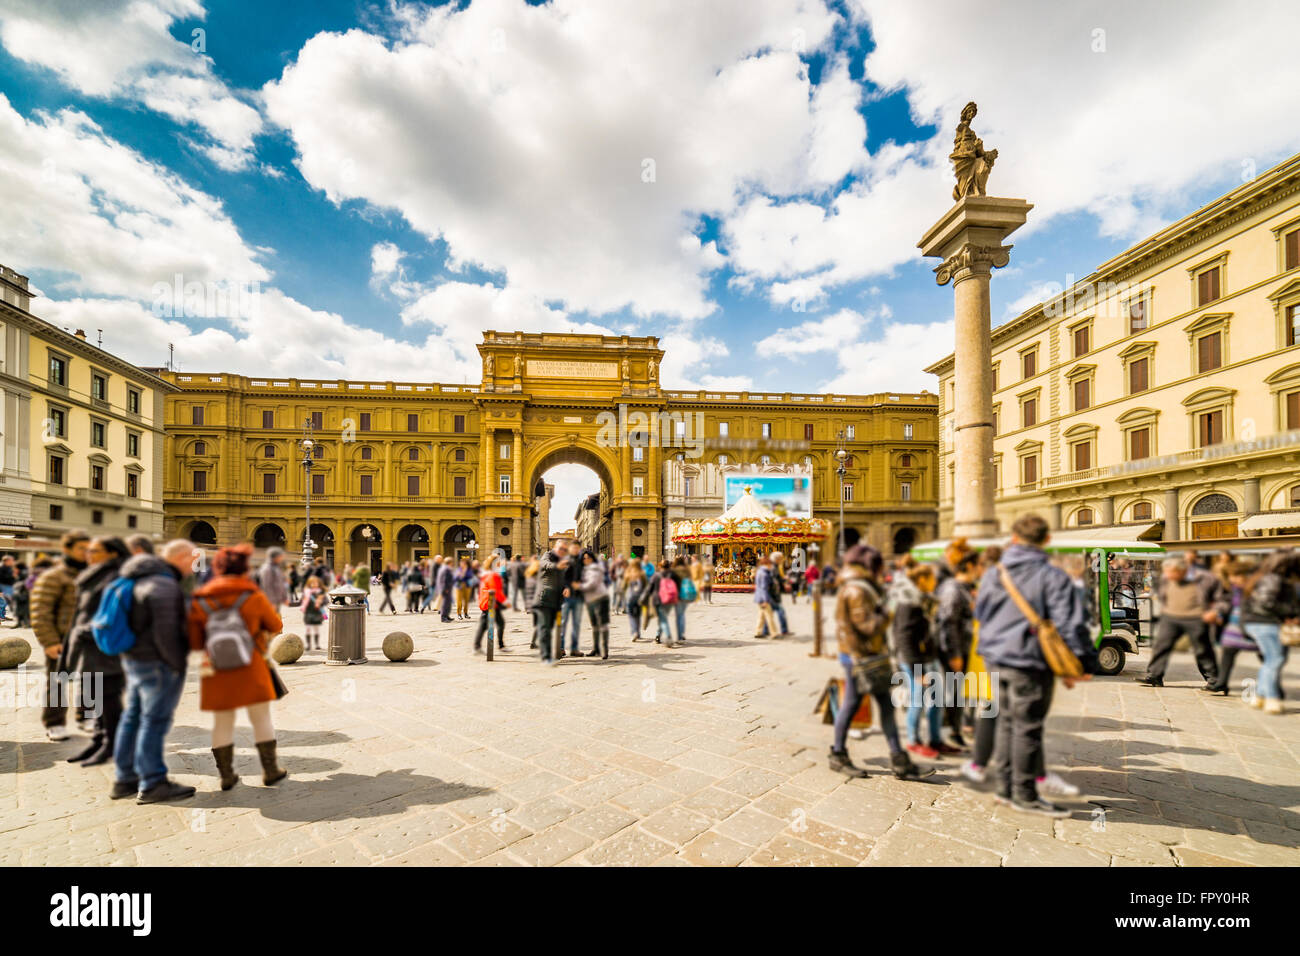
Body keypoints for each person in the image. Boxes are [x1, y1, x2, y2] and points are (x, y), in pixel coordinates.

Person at [973, 514, 1096, 817]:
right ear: (1046, 540)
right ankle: (1024, 795)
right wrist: (1083, 662)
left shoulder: (993, 573)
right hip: (1028, 659)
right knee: (1027, 727)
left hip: (994, 657)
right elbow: (1070, 624)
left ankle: (1005, 788)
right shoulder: (1052, 576)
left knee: (1005, 721)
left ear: (1014, 538)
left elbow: (980, 611)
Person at [189, 544, 287, 791]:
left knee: (222, 721)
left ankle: (226, 775)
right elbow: (276, 625)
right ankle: (271, 770)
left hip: (216, 668)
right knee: (261, 717)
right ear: (244, 569)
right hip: (251, 665)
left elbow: (194, 640)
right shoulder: (252, 596)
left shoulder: (201, 599)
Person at [113, 539, 197, 804]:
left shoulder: (139, 578)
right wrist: (177, 664)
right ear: (182, 558)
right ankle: (152, 784)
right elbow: (166, 634)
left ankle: (125, 778)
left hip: (135, 658)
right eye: (193, 561)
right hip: (156, 663)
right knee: (154, 721)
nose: (194, 568)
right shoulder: (163, 584)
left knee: (133, 716)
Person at [829, 543, 922, 780]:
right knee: (851, 704)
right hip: (860, 657)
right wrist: (890, 610)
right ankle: (838, 754)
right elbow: (868, 626)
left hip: (866, 655)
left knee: (884, 706)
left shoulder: (859, 587)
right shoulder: (857, 590)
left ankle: (899, 759)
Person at [62, 537, 131, 766]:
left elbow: (117, 614)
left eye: (96, 551)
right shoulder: (94, 575)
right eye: (89, 550)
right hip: (88, 645)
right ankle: (99, 740)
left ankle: (112, 744)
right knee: (95, 695)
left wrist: (87, 631)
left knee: (108, 697)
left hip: (104, 645)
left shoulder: (115, 577)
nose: (89, 554)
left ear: (112, 553)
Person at [889, 557, 952, 759]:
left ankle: (935, 739)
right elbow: (903, 638)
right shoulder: (909, 603)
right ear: (922, 579)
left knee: (937, 699)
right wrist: (917, 671)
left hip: (927, 657)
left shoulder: (922, 599)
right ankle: (913, 741)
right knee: (917, 701)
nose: (935, 582)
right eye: (931, 578)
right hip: (915, 661)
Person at [32, 530, 90, 741]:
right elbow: (40, 611)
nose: (86, 553)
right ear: (67, 549)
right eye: (81, 549)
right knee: (58, 681)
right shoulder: (53, 576)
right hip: (62, 639)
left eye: (88, 549)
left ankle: (88, 716)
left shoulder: (91, 574)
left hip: (90, 637)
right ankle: (55, 722)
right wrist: (49, 641)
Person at [1137, 556, 1229, 688]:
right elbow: (1163, 594)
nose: (1168, 576)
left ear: (1182, 570)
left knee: (1202, 649)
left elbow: (1224, 599)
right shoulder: (1166, 578)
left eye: (1171, 573)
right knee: (1161, 646)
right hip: (1170, 616)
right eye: (1166, 573)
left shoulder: (1206, 578)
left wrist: (1215, 612)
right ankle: (1154, 676)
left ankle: (1215, 681)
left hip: (1196, 617)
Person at [1241, 549, 1300, 715]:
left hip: (1260, 622)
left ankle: (1259, 696)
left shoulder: (1265, 577)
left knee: (1272, 660)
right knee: (1275, 659)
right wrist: (1289, 613)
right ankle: (1271, 698)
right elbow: (1266, 602)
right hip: (1266, 623)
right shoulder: (1274, 579)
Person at [935, 548, 979, 749]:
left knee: (957, 692)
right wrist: (954, 653)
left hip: (963, 646)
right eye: (978, 566)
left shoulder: (962, 587)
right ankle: (950, 731)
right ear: (969, 566)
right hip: (955, 649)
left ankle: (954, 729)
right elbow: (948, 622)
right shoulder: (952, 589)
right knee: (953, 692)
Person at [534, 543, 568, 663]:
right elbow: (544, 564)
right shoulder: (546, 556)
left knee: (559, 624)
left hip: (558, 599)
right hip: (545, 597)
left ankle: (559, 648)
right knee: (545, 627)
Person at [473, 554, 508, 654]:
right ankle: (499, 646)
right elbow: (495, 590)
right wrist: (505, 601)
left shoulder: (486, 573)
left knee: (486, 625)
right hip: (491, 603)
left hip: (487, 602)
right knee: (497, 624)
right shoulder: (492, 575)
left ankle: (478, 646)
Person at [580, 549, 611, 658]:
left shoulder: (597, 568)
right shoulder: (584, 569)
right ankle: (596, 648)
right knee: (594, 625)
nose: (586, 560)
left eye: (588, 557)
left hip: (601, 598)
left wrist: (578, 586)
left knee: (603, 624)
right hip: (590, 600)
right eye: (584, 558)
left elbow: (592, 583)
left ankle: (605, 649)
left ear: (592, 558)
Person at [647, 558, 680, 647]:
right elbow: (678, 587)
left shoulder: (656, 575)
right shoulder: (673, 575)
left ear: (660, 566)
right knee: (663, 618)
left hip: (658, 600)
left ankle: (668, 638)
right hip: (670, 600)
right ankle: (658, 635)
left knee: (663, 619)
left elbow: (650, 588)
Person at [559, 544, 585, 657]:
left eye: (577, 548)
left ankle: (574, 649)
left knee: (576, 624)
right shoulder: (565, 561)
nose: (575, 550)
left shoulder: (581, 562)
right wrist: (566, 587)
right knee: (563, 623)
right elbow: (560, 577)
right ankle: (560, 647)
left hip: (578, 596)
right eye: (573, 547)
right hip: (566, 597)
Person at [752, 554, 779, 639]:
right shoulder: (764, 574)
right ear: (767, 564)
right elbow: (764, 588)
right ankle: (774, 633)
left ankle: (758, 631)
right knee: (769, 615)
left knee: (761, 615)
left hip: (759, 597)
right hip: (763, 598)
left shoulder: (760, 571)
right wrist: (765, 600)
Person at [623, 557, 649, 642]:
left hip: (630, 597)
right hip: (640, 598)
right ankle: (637, 632)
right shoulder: (642, 573)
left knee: (631, 615)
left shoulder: (628, 574)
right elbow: (646, 586)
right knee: (637, 615)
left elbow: (623, 586)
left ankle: (633, 632)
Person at [300, 575, 328, 650]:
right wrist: (305, 600)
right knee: (308, 629)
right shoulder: (306, 592)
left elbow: (326, 601)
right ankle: (308, 645)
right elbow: (301, 601)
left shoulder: (320, 592)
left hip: (317, 613)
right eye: (312, 583)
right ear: (309, 584)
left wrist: (320, 602)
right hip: (308, 613)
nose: (314, 584)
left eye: (316, 582)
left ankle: (317, 644)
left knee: (316, 629)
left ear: (319, 583)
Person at [256, 547, 289, 611]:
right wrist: (271, 601)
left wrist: (284, 598)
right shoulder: (267, 568)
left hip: (276, 600)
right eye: (281, 556)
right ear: (276, 556)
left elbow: (280, 583)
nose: (282, 558)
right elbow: (266, 586)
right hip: (270, 601)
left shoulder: (276, 567)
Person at [523, 555, 541, 647]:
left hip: (531, 605)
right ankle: (534, 642)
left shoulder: (529, 577)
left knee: (539, 624)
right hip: (537, 604)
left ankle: (534, 642)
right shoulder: (536, 580)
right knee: (541, 623)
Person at [435, 554, 455, 623]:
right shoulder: (446, 569)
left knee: (448, 604)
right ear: (449, 562)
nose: (453, 563)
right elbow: (444, 580)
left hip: (447, 589)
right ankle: (443, 617)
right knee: (445, 604)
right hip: (445, 589)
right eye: (452, 562)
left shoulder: (445, 568)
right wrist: (445, 588)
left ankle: (447, 616)